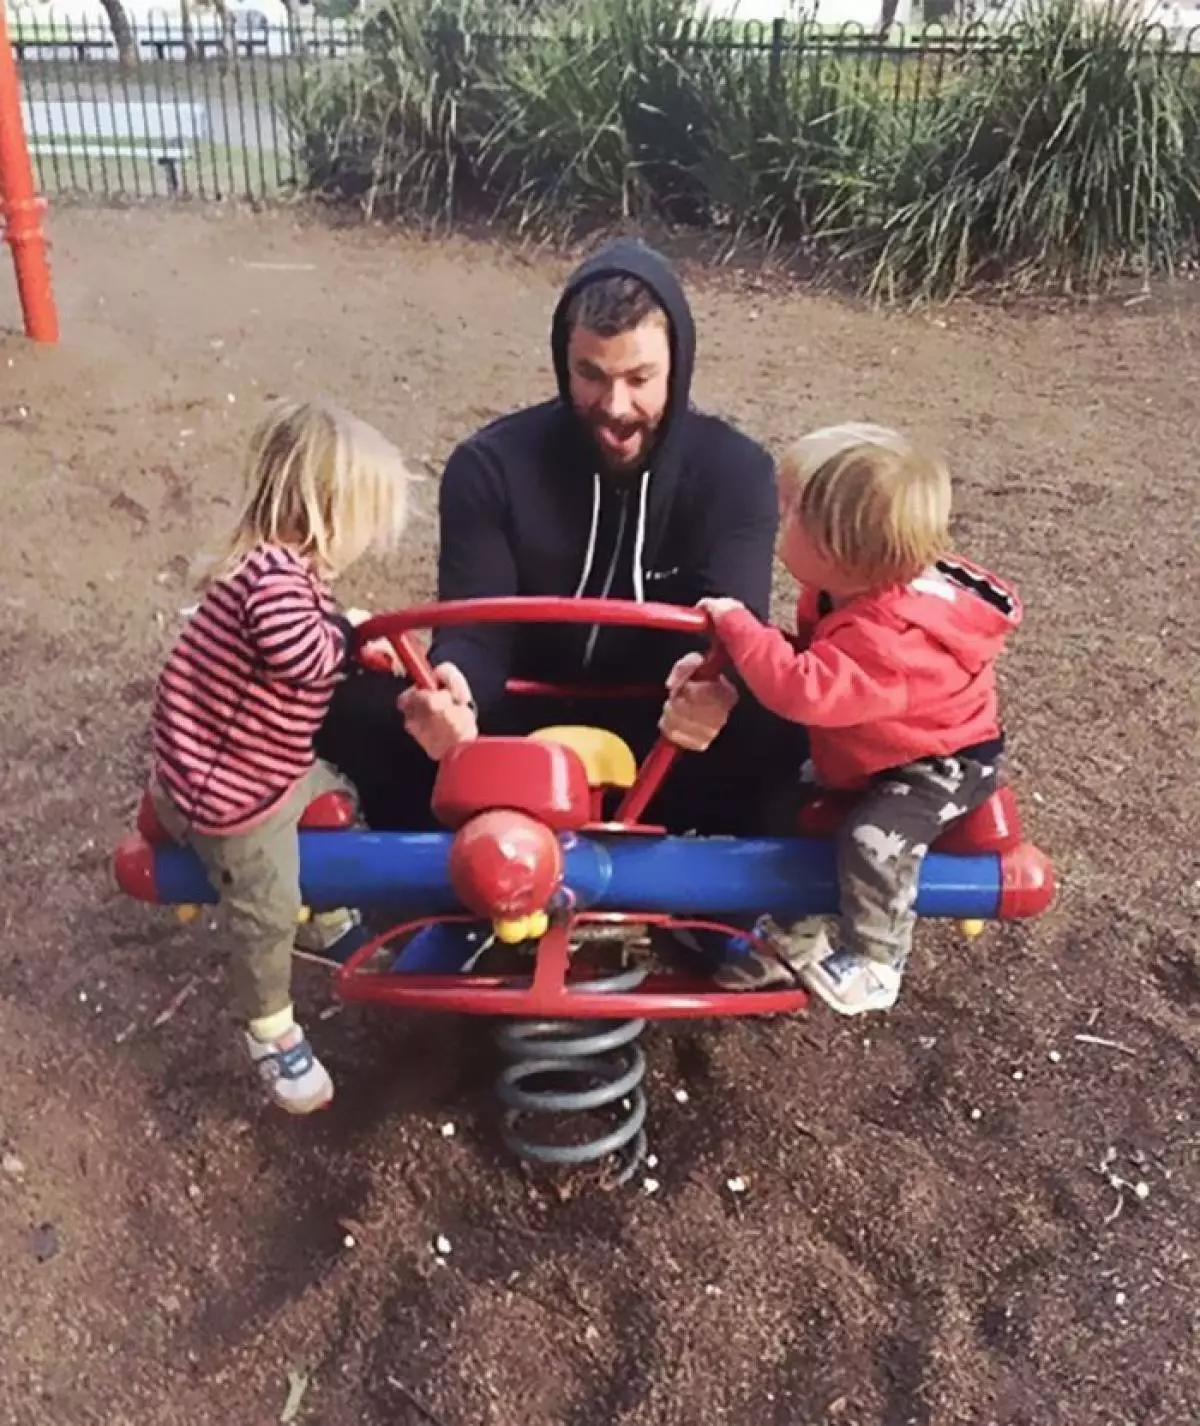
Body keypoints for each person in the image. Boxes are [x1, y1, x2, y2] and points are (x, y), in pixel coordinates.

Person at [318, 236, 807, 847]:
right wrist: (455, 689)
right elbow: (476, 634)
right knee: (361, 705)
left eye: (640, 378)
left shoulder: (736, 472)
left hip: (668, 730)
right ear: (561, 360)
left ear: (677, 366)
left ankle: (727, 910)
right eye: (591, 375)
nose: (615, 406)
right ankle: (439, 887)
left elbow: (734, 627)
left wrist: (717, 685)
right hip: (515, 730)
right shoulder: (490, 465)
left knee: (789, 712)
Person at [695, 422, 1022, 1014]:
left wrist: (740, 625)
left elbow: (805, 689)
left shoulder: (889, 637)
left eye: (790, 508)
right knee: (786, 807)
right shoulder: (846, 592)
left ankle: (876, 959)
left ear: (835, 548)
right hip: (877, 745)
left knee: (874, 839)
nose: (777, 512)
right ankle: (792, 937)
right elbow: (817, 657)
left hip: (937, 764)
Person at [146, 399, 411, 1113]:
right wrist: (350, 643)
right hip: (227, 788)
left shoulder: (285, 573)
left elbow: (310, 630)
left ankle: (326, 918)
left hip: (268, 762)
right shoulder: (271, 581)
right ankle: (270, 1027)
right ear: (328, 512)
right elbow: (298, 652)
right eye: (365, 521)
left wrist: (348, 628)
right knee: (264, 905)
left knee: (336, 801)